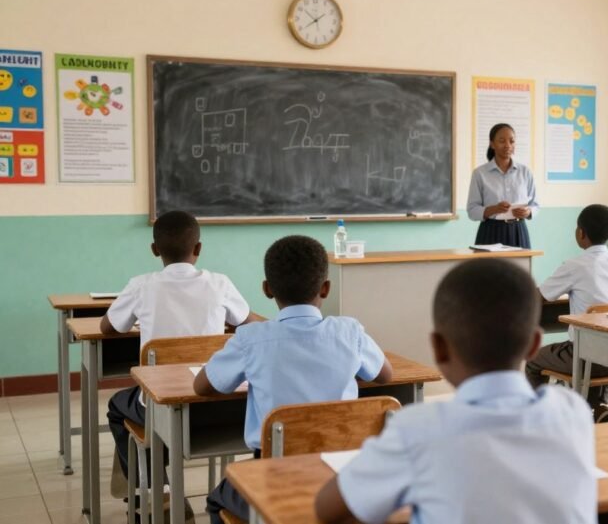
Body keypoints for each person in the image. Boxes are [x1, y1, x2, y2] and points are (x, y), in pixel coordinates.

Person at [314, 259, 596, 524]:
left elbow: (326, 509)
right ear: (534, 345)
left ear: (438, 348)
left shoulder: (417, 430)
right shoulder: (573, 413)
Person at [195, 235, 393, 524]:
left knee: (216, 501)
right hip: (341, 478)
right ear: (326, 288)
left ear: (266, 289)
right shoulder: (349, 332)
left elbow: (201, 386)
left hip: (274, 477)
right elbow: (385, 375)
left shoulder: (251, 339)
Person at [102, 210, 255, 508]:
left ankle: (158, 491)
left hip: (160, 407)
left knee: (118, 406)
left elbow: (109, 327)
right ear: (198, 249)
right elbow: (246, 321)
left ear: (154, 250)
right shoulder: (220, 283)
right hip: (215, 403)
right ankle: (158, 486)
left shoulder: (141, 285)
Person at [526, 204, 608, 422]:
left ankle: (539, 417)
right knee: (597, 346)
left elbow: (540, 296)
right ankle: (599, 407)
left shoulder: (575, 265)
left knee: (533, 360)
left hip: (583, 357)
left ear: (581, 233)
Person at [466, 123, 539, 248]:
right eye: (501, 141)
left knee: (519, 268)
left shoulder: (525, 172)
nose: (508, 145)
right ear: (492, 144)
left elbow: (535, 204)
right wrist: (494, 209)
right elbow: (472, 210)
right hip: (490, 231)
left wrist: (528, 212)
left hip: (518, 230)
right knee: (489, 268)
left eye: (512, 141)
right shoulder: (480, 173)